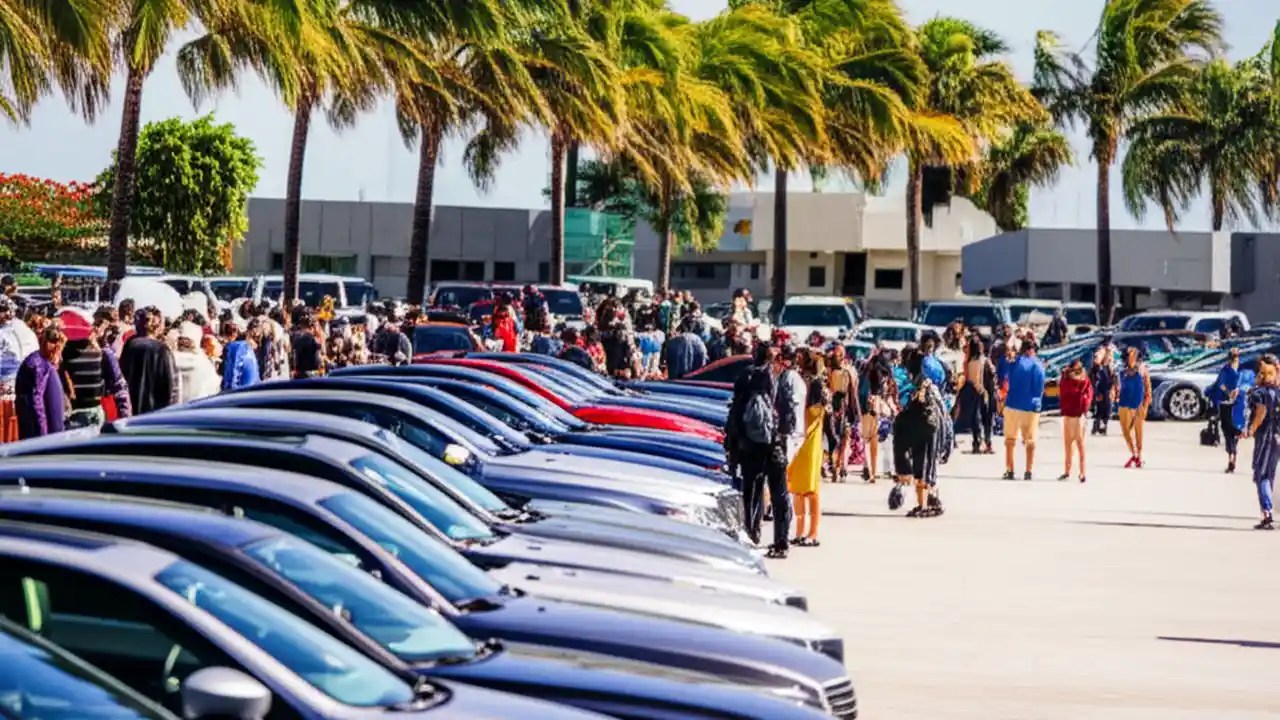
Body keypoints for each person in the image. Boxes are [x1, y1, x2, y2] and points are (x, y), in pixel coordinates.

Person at [726, 342, 779, 548]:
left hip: (744, 438)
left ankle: (747, 525)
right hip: (763, 439)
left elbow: (736, 405)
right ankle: (755, 528)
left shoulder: (745, 375)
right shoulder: (769, 377)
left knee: (747, 485)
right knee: (759, 483)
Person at [788, 350, 827, 546]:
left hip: (809, 439)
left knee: (810, 489)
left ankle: (812, 533)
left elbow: (816, 412)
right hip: (801, 438)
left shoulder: (816, 384)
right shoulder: (801, 381)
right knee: (798, 488)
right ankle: (800, 532)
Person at [120, 307, 180, 415]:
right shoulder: (161, 349)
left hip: (132, 406)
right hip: (156, 411)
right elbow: (172, 385)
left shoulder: (129, 345)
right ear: (158, 326)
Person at [1243, 355, 1280, 530]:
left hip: (1266, 434)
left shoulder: (1260, 393)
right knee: (1269, 474)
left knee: (1261, 474)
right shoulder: (1276, 391)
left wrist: (1250, 429)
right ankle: (1267, 511)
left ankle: (1267, 512)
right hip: (1276, 435)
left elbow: (1261, 412)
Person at [1002, 338, 1046, 481]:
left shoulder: (1014, 363)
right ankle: (1028, 471)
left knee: (1010, 440)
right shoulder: (1038, 365)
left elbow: (1004, 375)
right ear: (1033, 350)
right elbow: (1039, 388)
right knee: (1030, 441)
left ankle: (1010, 470)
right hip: (1030, 406)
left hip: (1012, 404)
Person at [15, 325, 67, 439]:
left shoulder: (38, 362)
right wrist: (42, 435)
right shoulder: (40, 365)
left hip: (40, 426)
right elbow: (36, 402)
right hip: (41, 430)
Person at [1057, 359, 1093, 483]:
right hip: (1068, 414)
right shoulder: (1066, 378)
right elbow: (1065, 392)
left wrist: (1084, 404)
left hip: (1079, 416)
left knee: (1080, 444)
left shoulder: (1084, 379)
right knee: (1068, 444)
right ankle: (1067, 471)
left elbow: (1088, 394)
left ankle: (1082, 472)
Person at [826, 344, 858, 482]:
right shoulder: (828, 370)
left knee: (845, 436)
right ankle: (833, 465)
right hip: (832, 406)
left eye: (841, 354)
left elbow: (853, 390)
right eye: (836, 354)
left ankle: (841, 465)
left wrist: (854, 409)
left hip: (845, 406)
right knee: (833, 438)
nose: (838, 357)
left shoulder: (849, 370)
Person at [1116, 346, 1152, 469]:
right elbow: (1117, 385)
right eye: (1129, 355)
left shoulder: (1142, 370)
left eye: (1133, 355)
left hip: (1138, 404)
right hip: (1124, 403)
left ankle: (1138, 456)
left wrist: (1146, 403)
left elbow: (1148, 387)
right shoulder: (1121, 371)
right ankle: (1134, 453)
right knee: (1125, 431)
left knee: (1138, 432)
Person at [959, 336, 995, 454]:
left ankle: (976, 443)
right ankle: (988, 443)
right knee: (987, 419)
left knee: (975, 419)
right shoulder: (985, 360)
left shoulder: (968, 362)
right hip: (984, 391)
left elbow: (967, 377)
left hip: (971, 391)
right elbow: (992, 374)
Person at [1209, 347, 1243, 473]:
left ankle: (1233, 455)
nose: (1236, 359)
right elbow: (1220, 384)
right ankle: (1232, 456)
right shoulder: (1227, 370)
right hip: (1226, 403)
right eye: (1234, 356)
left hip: (1237, 404)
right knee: (1228, 430)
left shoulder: (1240, 370)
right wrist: (1229, 393)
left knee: (1230, 430)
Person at [174, 321, 221, 403]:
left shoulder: (170, 359)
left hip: (171, 412)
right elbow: (215, 390)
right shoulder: (205, 364)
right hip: (199, 411)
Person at [220, 318, 262, 391]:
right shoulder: (246, 346)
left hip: (242, 393)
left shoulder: (235, 348)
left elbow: (232, 375)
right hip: (253, 389)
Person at [1089, 347, 1117, 435]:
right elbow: (1095, 381)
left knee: (1107, 410)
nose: (1110, 357)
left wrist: (1114, 389)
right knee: (1099, 410)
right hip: (1100, 391)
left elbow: (1113, 380)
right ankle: (1096, 427)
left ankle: (1103, 427)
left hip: (1108, 391)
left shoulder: (1109, 367)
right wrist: (1096, 393)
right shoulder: (1098, 368)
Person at [290, 313, 325, 378]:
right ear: (312, 326)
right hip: (313, 373)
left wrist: (294, 370)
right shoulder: (314, 339)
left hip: (300, 373)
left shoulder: (296, 338)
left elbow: (294, 357)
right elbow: (319, 356)